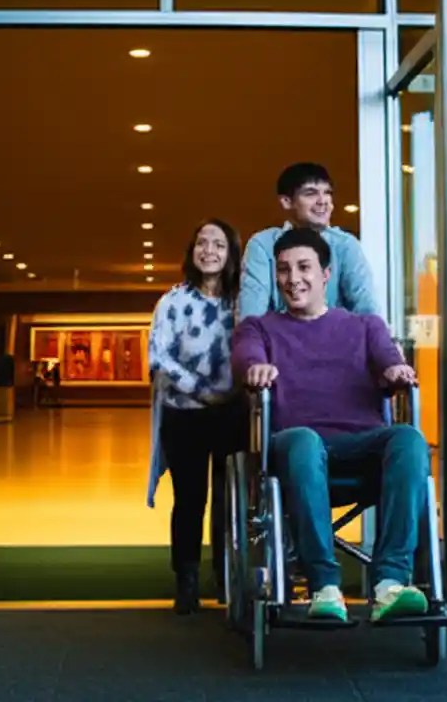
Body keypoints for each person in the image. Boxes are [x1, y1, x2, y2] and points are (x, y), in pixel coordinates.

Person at [232, 227, 431, 624]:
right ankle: (324, 585)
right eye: (284, 270)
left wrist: (395, 370)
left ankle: (390, 583)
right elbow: (244, 354)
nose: (293, 279)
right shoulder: (261, 328)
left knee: (408, 438)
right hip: (298, 450)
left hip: (361, 447)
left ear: (326, 274)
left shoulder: (364, 326)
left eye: (304, 267)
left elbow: (388, 358)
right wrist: (256, 366)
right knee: (306, 441)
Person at [147, 218, 246, 615]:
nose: (209, 250)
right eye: (202, 242)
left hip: (232, 414)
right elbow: (158, 357)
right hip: (184, 414)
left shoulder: (243, 302)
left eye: (219, 244)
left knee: (230, 500)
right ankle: (186, 581)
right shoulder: (173, 300)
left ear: (231, 253)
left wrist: (233, 393)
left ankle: (227, 578)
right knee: (190, 500)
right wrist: (204, 391)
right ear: (191, 251)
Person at [237, 162, 378, 320]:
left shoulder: (345, 245)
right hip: (277, 342)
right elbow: (250, 318)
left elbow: (367, 309)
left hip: (336, 341)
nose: (323, 201)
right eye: (311, 193)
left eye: (327, 193)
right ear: (286, 201)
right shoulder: (263, 245)